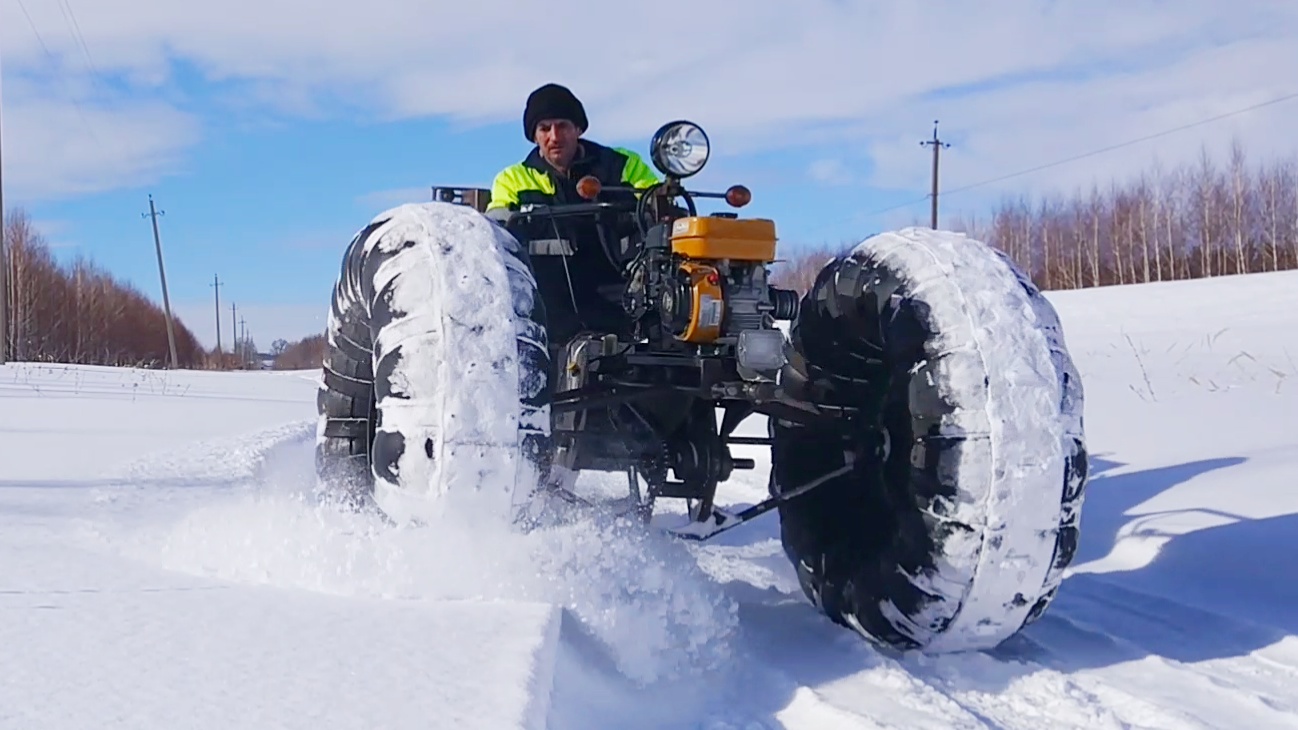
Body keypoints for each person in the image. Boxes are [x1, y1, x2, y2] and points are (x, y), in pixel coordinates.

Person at [486, 83, 660, 344]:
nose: (554, 137)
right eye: (545, 128)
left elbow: (659, 209)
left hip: (623, 300)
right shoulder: (512, 181)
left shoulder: (624, 165)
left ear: (578, 129)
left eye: (563, 126)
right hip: (547, 310)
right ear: (534, 136)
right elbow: (496, 235)